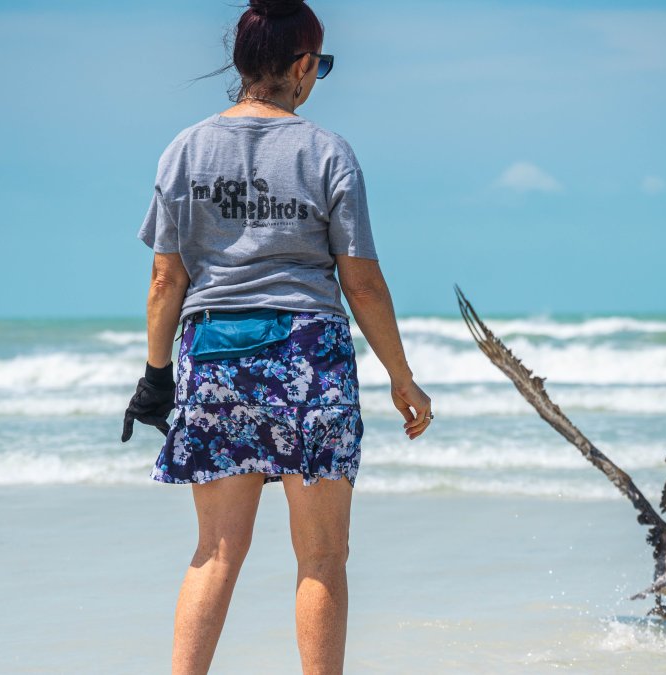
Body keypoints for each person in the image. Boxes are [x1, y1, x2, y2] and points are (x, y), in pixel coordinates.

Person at [120, 1, 432, 671]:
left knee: (216, 550)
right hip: (308, 358)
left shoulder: (185, 149)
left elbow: (163, 279)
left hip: (215, 355)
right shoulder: (327, 151)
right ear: (298, 67)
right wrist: (401, 377)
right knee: (321, 554)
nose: (315, 76)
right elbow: (364, 283)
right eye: (317, 64)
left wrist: (154, 377)